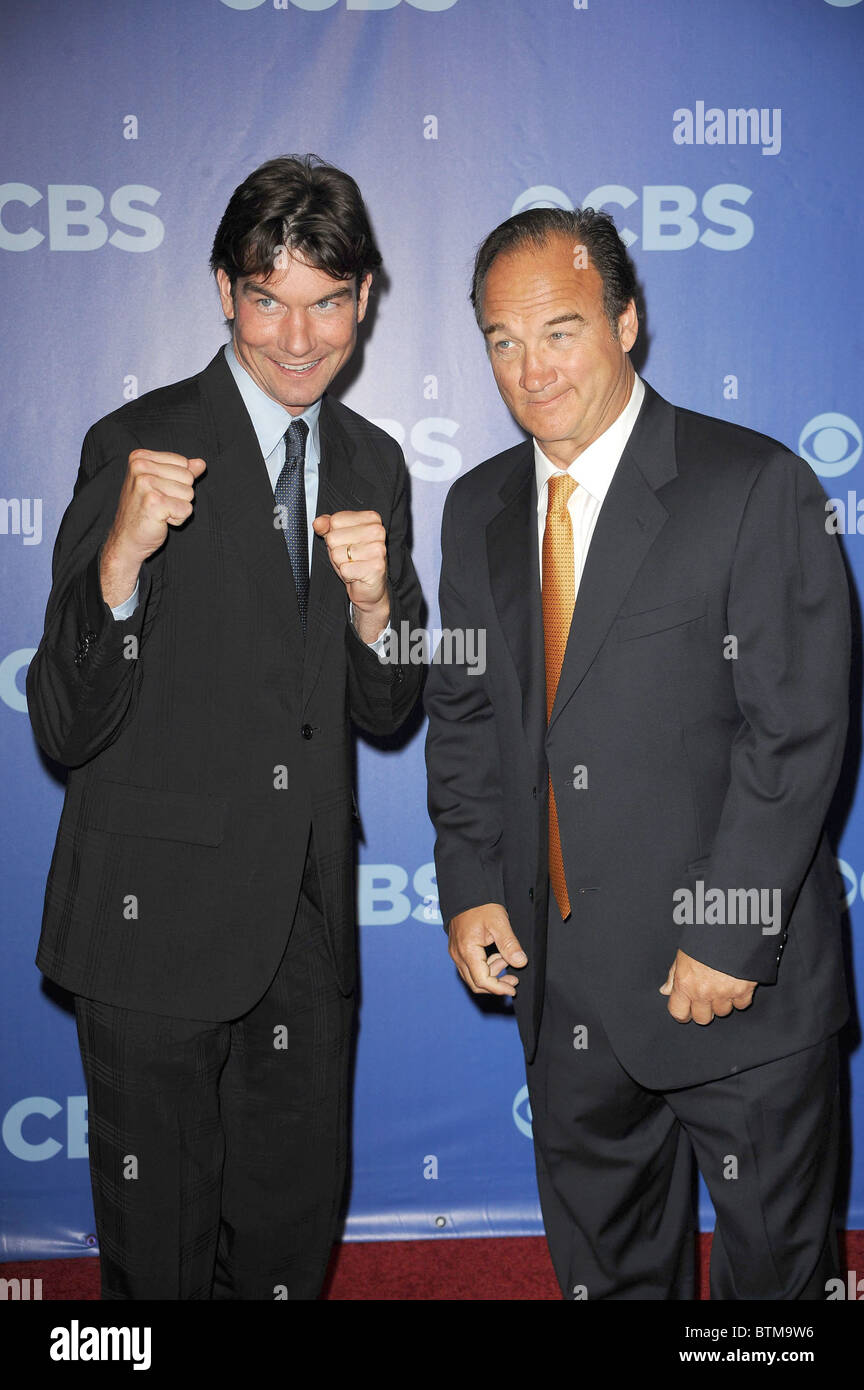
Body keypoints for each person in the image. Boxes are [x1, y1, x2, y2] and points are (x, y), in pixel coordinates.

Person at [424, 207, 851, 1301]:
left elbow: (797, 730)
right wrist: (472, 886)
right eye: (502, 340)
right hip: (567, 995)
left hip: (736, 995)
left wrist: (726, 931)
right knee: (608, 1279)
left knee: (772, 1299)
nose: (530, 367)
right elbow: (467, 715)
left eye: (559, 330)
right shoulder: (474, 509)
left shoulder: (753, 485)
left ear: (627, 320)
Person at [27, 154, 423, 1301]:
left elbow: (392, 706)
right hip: (152, 928)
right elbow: (62, 719)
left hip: (304, 930)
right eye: (268, 298)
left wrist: (373, 605)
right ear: (222, 292)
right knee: (157, 1265)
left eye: (327, 300)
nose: (298, 336)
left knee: (290, 1250)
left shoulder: (373, 462)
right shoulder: (138, 438)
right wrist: (119, 563)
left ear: (363, 300)